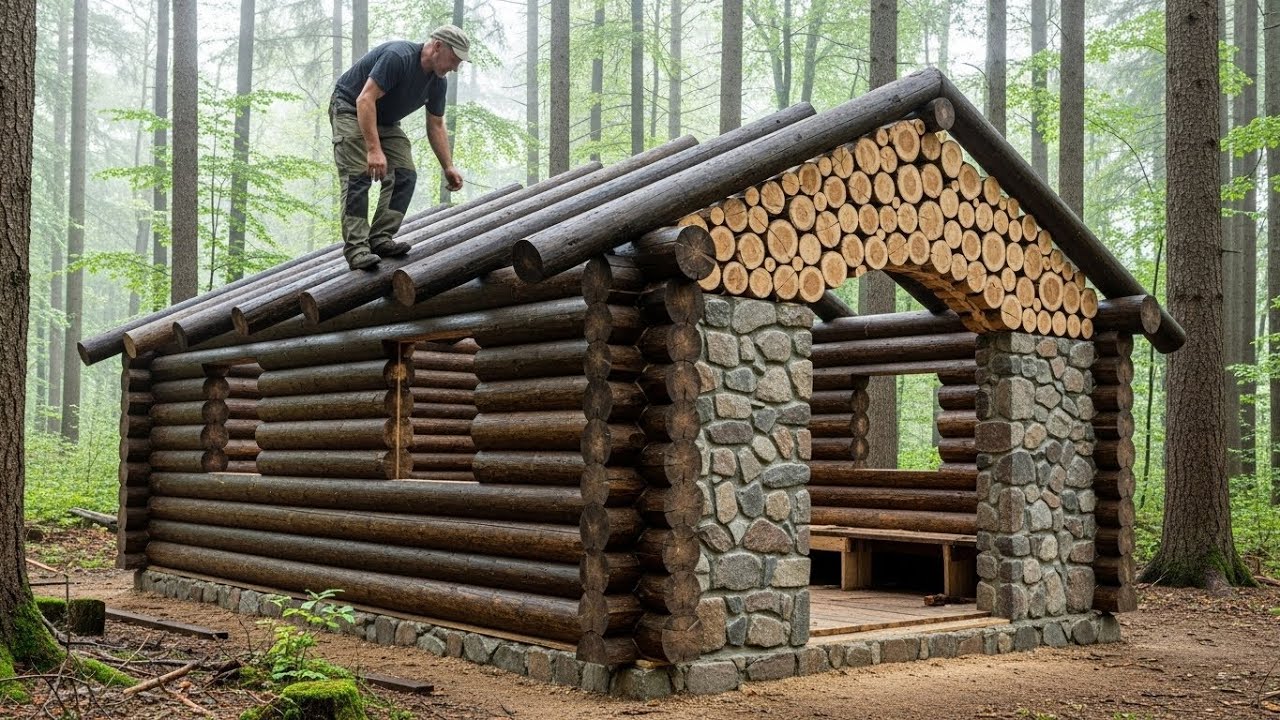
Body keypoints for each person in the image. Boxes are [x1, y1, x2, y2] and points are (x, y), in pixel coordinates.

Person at [330, 25, 469, 270]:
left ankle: (381, 238)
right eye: (454, 59)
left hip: (385, 120)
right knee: (358, 175)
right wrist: (373, 149)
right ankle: (357, 250)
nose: (455, 67)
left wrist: (448, 166)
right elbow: (364, 100)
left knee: (405, 173)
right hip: (351, 110)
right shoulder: (399, 57)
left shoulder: (437, 82)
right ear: (437, 46)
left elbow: (436, 124)